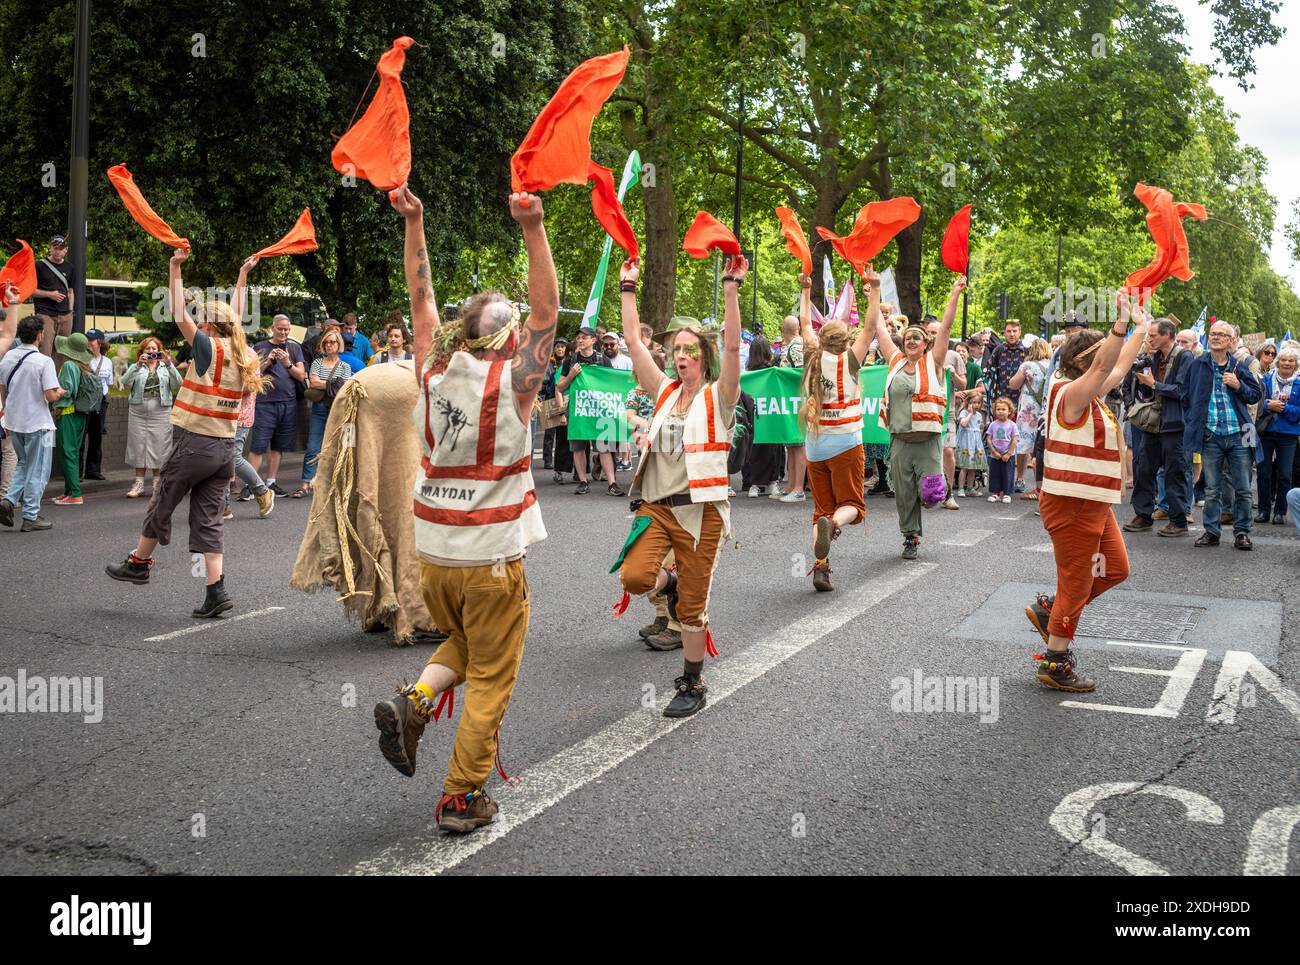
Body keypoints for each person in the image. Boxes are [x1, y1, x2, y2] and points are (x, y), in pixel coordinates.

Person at [371, 186, 556, 835]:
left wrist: (415, 220)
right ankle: (460, 796)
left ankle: (417, 699)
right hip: (490, 557)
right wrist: (532, 226)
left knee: (467, 643)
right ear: (508, 336)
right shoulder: (517, 381)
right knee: (491, 677)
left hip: (436, 557)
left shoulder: (431, 366)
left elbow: (420, 296)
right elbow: (549, 310)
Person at [616, 251, 744, 718]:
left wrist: (731, 286)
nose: (681, 356)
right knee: (634, 577)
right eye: (676, 351)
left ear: (703, 357)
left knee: (692, 609)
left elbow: (732, 348)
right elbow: (633, 343)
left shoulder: (720, 395)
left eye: (691, 350)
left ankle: (692, 681)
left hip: (701, 513)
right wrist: (628, 287)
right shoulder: (665, 391)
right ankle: (669, 582)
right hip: (657, 505)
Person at [106, 247, 265, 618]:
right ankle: (216, 591)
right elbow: (236, 317)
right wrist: (242, 276)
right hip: (225, 450)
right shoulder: (245, 355)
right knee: (208, 520)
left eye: (203, 320)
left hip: (195, 442)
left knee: (162, 499)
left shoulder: (208, 347)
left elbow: (178, 313)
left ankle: (139, 562)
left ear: (208, 326)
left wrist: (174, 267)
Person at [1026, 293, 1146, 693]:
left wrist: (1139, 326)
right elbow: (1105, 364)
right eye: (1098, 358)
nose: (1106, 365)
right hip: (1073, 502)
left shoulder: (1087, 391)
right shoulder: (1070, 393)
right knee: (1078, 581)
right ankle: (1055, 661)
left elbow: (1120, 362)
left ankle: (1051, 611)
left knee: (1115, 568)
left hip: (1092, 502)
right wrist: (1118, 326)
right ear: (1082, 362)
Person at [874, 276, 965, 560]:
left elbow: (947, 326)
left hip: (927, 440)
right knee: (903, 494)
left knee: (932, 495)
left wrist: (955, 293)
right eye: (908, 337)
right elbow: (878, 329)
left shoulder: (934, 362)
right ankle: (911, 537)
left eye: (918, 337)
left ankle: (941, 487)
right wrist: (873, 294)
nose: (912, 340)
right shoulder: (895, 361)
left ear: (926, 343)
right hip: (900, 439)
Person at [799, 270, 877, 591]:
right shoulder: (851, 360)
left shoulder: (811, 356)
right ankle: (832, 525)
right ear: (846, 341)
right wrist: (874, 290)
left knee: (821, 506)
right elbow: (872, 327)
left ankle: (820, 568)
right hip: (846, 440)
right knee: (853, 507)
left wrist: (805, 291)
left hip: (815, 444)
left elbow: (804, 324)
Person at [1184, 319, 1263, 550]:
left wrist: (1238, 385)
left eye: (1221, 334)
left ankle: (1242, 533)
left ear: (1230, 341)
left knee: (1243, 488)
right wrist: (1193, 419)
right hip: (1211, 435)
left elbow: (1254, 395)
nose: (1215, 337)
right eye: (1212, 333)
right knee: (1212, 488)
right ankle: (1211, 532)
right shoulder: (1198, 365)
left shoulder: (1239, 367)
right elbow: (1186, 395)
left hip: (1239, 434)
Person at [0, 285, 66, 531]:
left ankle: (8, 501)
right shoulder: (43, 361)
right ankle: (31, 516)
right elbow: (50, 395)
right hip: (39, 424)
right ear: (39, 335)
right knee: (38, 470)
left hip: (14, 421)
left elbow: (3, 389)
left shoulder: (8, 357)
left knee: (22, 464)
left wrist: (7, 411)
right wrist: (60, 392)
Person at [1123, 316, 1192, 537]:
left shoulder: (1185, 357)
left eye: (1153, 335)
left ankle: (1179, 521)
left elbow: (1181, 391)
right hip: (1154, 423)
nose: (1149, 339)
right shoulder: (1153, 357)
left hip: (1174, 424)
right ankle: (1143, 515)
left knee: (1174, 472)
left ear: (1168, 335)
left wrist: (1154, 384)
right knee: (1144, 468)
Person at [556, 325, 621, 496]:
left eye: (584, 337)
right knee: (578, 447)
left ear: (593, 340)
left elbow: (613, 385)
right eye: (578, 337)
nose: (580, 340)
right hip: (578, 410)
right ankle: (583, 481)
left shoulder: (603, 360)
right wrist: (571, 375)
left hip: (599, 411)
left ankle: (612, 483)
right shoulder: (571, 360)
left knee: (604, 447)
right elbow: (560, 387)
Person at [248, 314, 306, 496]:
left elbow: (301, 375)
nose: (283, 332)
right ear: (272, 328)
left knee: (278, 446)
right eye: (280, 329)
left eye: (286, 329)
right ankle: (251, 484)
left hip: (287, 403)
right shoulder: (260, 347)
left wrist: (287, 362)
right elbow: (252, 374)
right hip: (264, 403)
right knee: (258, 446)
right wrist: (269, 361)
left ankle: (271, 482)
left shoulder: (294, 348)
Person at [294, 329, 353, 499]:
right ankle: (305, 485)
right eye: (326, 342)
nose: (329, 345)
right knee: (313, 448)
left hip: (338, 409)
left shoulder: (345, 366)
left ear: (339, 344)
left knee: (340, 447)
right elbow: (313, 383)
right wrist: (333, 384)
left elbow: (343, 390)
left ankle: (338, 485)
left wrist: (326, 384)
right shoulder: (317, 363)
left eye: (332, 342)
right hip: (319, 409)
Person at [122, 336, 183, 498]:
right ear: (142, 351)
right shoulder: (137, 366)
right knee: (138, 445)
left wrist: (169, 364)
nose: (151, 352)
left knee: (160, 446)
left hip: (161, 411)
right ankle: (139, 483)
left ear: (159, 351)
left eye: (154, 349)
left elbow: (178, 382)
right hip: (138, 411)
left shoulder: (165, 366)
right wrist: (136, 365)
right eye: (148, 349)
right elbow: (125, 381)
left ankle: (158, 482)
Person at [51, 332, 101, 506]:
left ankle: (75, 494)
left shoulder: (69, 366)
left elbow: (66, 390)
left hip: (68, 414)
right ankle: (69, 491)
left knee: (68, 453)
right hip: (80, 414)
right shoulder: (84, 366)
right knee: (72, 452)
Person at [924, 314, 967, 509]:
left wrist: (953, 373)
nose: (933, 335)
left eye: (937, 332)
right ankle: (928, 492)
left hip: (946, 410)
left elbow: (963, 384)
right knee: (925, 452)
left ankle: (949, 492)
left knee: (947, 450)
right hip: (924, 411)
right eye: (930, 332)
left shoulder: (954, 355)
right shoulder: (919, 353)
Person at [1256, 345, 1299, 525]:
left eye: (1291, 360)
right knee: (1263, 472)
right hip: (1266, 431)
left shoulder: (1299, 383)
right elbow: (1256, 403)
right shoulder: (1266, 379)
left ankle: (1280, 511)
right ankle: (1264, 510)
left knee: (1285, 474)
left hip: (1288, 433)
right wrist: (1268, 406)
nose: (1287, 363)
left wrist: (1283, 408)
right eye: (1283, 360)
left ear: (1296, 364)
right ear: (1277, 362)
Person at [743, 334, 785, 498]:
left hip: (754, 416)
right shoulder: (773, 372)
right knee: (773, 447)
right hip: (771, 415)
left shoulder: (747, 375)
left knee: (753, 448)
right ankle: (773, 482)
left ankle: (754, 483)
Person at [1008, 337, 1050, 498]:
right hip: (1045, 410)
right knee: (1042, 447)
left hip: (1029, 412)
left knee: (1026, 445)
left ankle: (1023, 480)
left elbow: (1014, 383)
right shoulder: (1053, 366)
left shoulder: (1027, 366)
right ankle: (1045, 484)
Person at [775, 313, 809, 500]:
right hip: (791, 400)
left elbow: (801, 372)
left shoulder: (796, 346)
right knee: (791, 444)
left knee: (798, 444)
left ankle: (798, 489)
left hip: (796, 400)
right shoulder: (794, 344)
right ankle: (790, 486)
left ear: (783, 329)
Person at [33, 235, 75, 364]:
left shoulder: (70, 267)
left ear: (66, 250)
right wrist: (49, 294)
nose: (58, 251)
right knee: (45, 351)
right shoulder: (40, 265)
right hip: (45, 313)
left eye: (61, 248)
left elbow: (71, 291)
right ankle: (43, 381)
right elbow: (31, 291)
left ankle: (55, 381)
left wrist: (70, 311)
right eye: (55, 248)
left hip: (65, 315)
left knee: (63, 352)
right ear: (50, 248)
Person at [78, 329, 113, 481]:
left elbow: (109, 383)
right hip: (84, 401)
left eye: (91, 340)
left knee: (96, 435)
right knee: (80, 436)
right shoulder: (82, 359)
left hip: (101, 401)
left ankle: (93, 470)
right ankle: (77, 472)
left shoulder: (107, 361)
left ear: (99, 342)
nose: (88, 343)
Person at [540, 337, 569, 475]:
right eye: (558, 346)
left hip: (565, 399)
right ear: (554, 348)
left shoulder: (568, 362)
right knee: (550, 432)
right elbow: (544, 381)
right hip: (551, 399)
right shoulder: (548, 363)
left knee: (563, 432)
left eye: (562, 347)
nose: (560, 349)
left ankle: (561, 460)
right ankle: (547, 459)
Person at [985, 397, 1017, 503]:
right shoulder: (992, 425)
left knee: (1007, 473)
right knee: (995, 474)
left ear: (1009, 411)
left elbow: (1014, 440)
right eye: (998, 409)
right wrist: (994, 452)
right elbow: (989, 439)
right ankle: (996, 493)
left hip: (1008, 455)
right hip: (995, 454)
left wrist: (1008, 453)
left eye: (1003, 409)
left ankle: (1007, 494)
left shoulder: (1012, 425)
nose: (1001, 411)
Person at [955, 394, 986, 496]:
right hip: (966, 443)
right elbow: (963, 424)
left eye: (978, 403)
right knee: (964, 467)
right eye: (973, 402)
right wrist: (970, 414)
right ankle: (960, 488)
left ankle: (970, 488)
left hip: (975, 444)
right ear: (968, 403)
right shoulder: (964, 413)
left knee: (973, 467)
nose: (976, 405)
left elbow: (978, 430)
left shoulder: (979, 415)